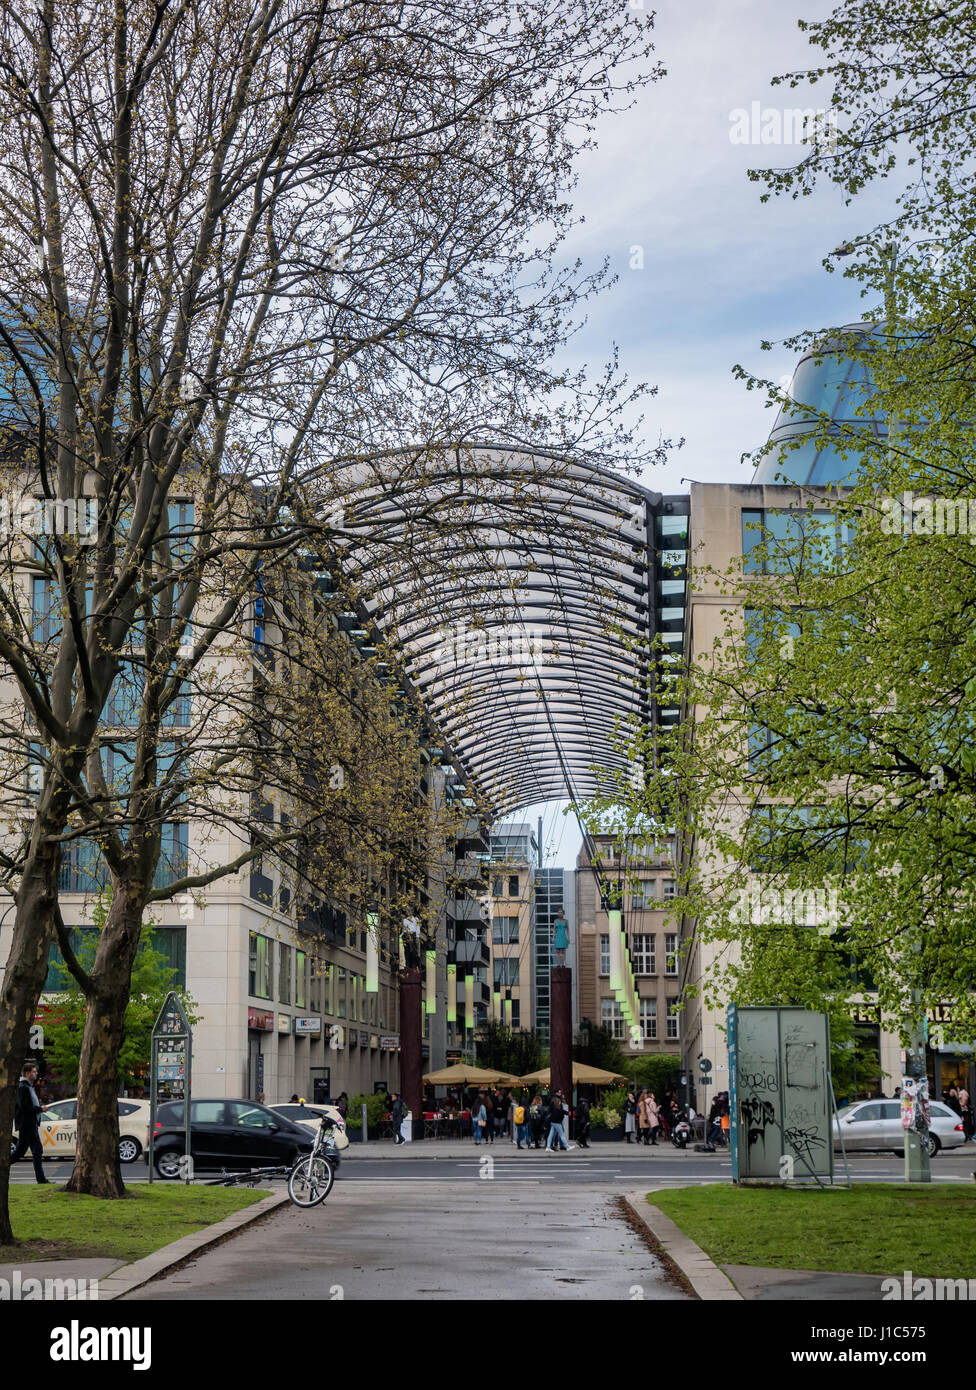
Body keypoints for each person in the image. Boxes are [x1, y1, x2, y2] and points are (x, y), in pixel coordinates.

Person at [12, 1062, 49, 1184]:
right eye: (34, 1071)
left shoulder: (27, 1086)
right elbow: (24, 1108)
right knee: (37, 1149)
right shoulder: (23, 1087)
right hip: (27, 1124)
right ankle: (41, 1179)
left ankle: (41, 1179)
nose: (36, 1073)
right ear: (27, 1073)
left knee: (19, 1152)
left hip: (29, 1123)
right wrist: (40, 1109)